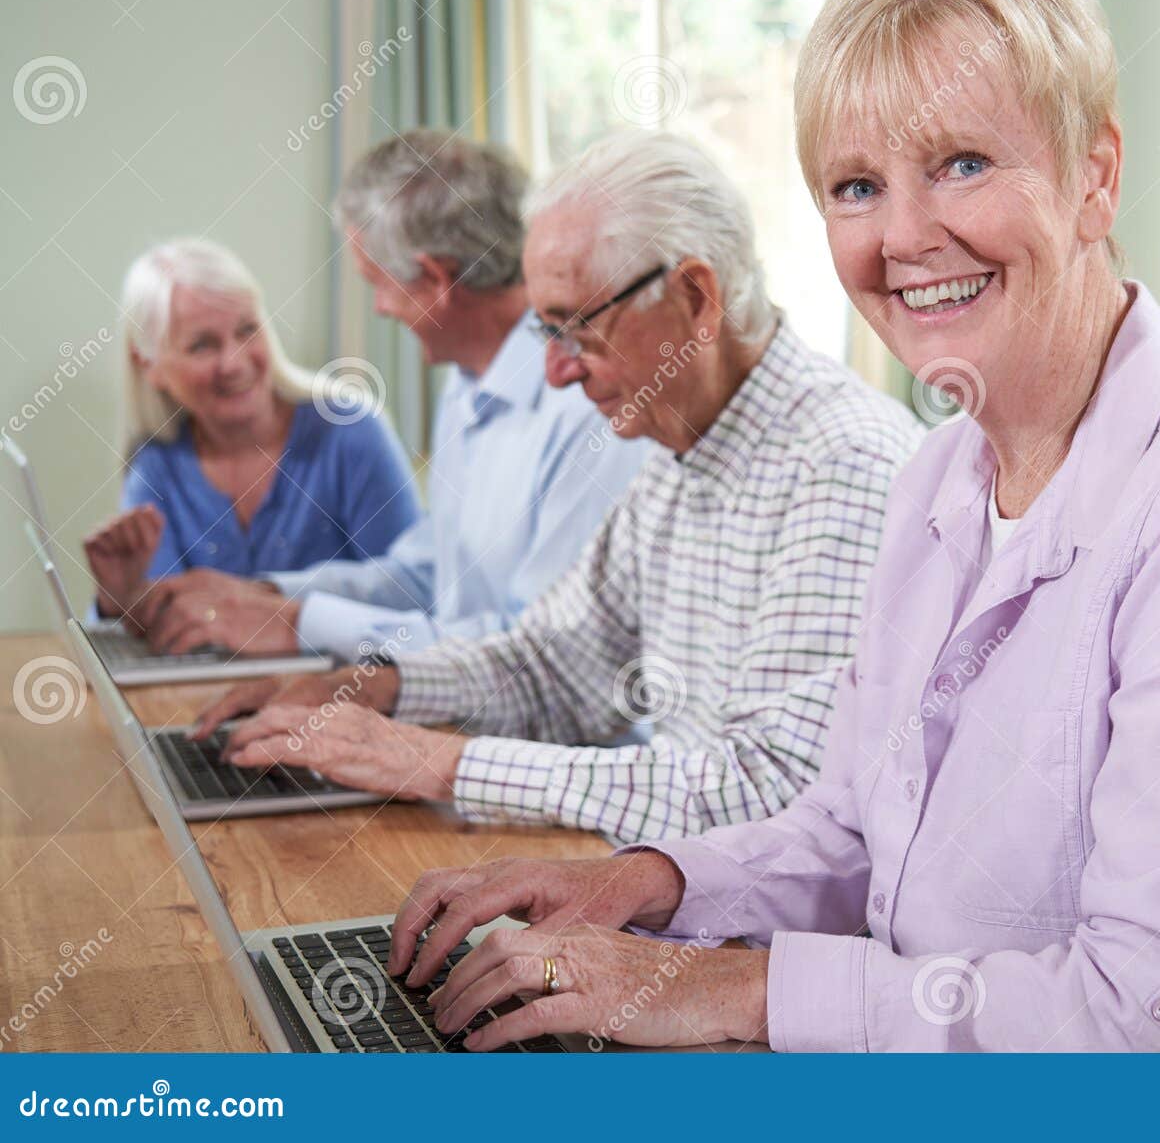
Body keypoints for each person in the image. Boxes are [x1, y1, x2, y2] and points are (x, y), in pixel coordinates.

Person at [378, 0, 1160, 1054]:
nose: (901, 237)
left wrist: (735, 990)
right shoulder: (940, 475)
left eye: (963, 164)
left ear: (1095, 178)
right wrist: (642, 883)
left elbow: (1142, 1014)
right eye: (856, 186)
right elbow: (851, 826)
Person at [192, 130, 925, 846]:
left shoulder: (842, 467)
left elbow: (769, 796)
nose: (557, 374)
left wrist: (440, 762)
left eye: (576, 330)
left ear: (696, 299)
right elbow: (556, 661)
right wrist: (377, 686)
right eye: (548, 334)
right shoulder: (679, 448)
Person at [132, 131, 648, 660]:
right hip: (457, 712)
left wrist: (302, 623)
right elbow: (428, 577)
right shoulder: (467, 382)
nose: (379, 308)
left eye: (377, 283)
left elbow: (543, 656)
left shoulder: (586, 409)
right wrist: (267, 596)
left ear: (433, 282)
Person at [86, 238, 419, 635]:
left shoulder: (350, 432)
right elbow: (161, 625)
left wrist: (256, 600)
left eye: (247, 330)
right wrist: (117, 602)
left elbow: (415, 593)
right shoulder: (157, 462)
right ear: (150, 364)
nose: (234, 362)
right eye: (202, 345)